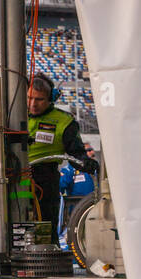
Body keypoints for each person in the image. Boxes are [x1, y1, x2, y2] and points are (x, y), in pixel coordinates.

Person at [26, 73, 97, 225]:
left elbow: (76, 153)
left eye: (39, 99)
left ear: (51, 98)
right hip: (14, 179)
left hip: (45, 179)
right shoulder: (11, 114)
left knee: (46, 223)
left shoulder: (65, 122)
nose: (32, 104)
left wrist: (86, 162)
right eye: (29, 98)